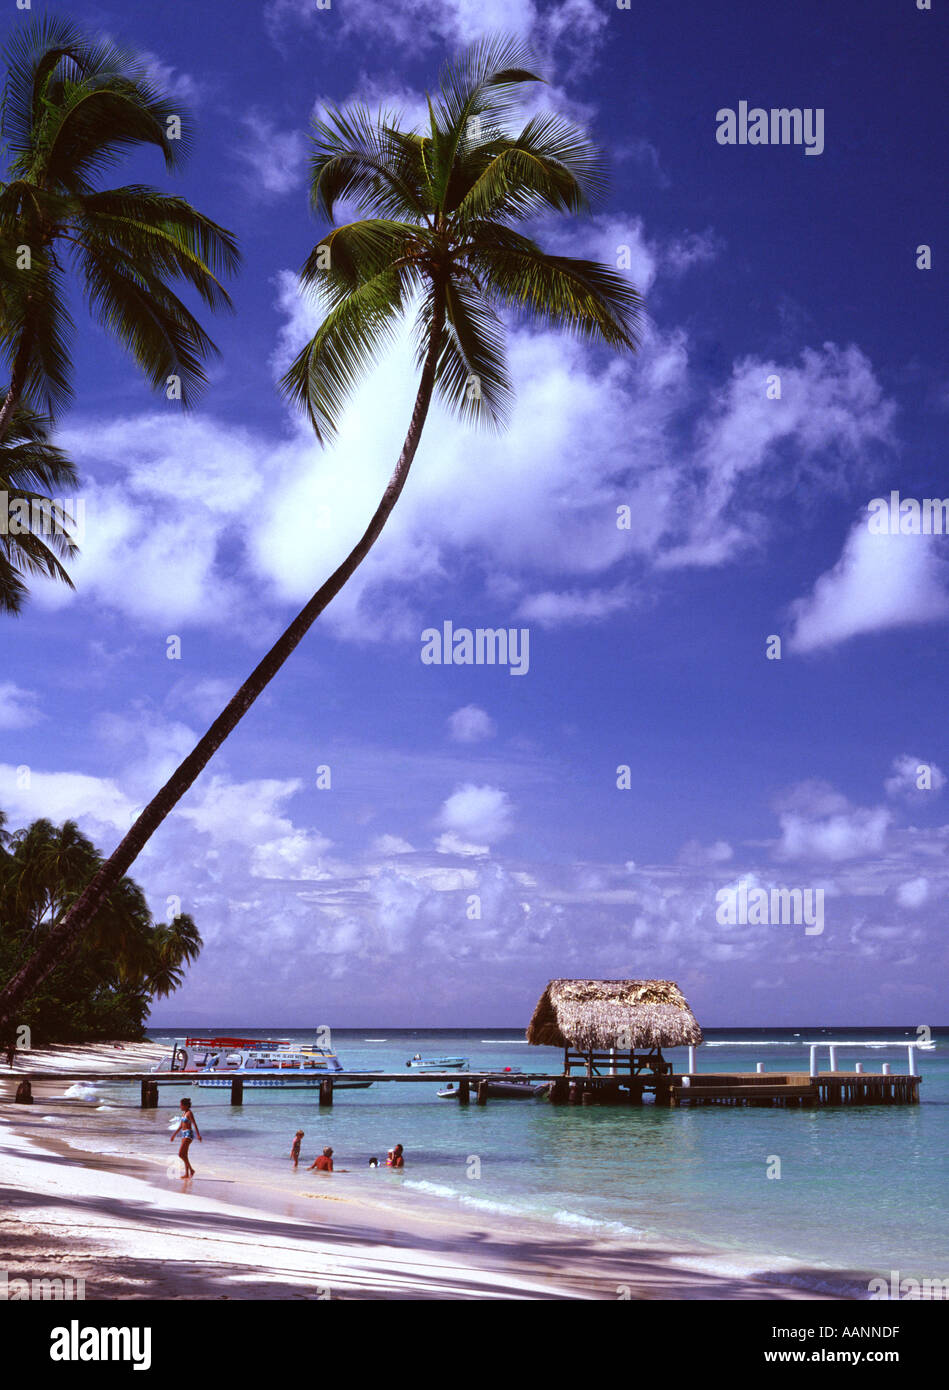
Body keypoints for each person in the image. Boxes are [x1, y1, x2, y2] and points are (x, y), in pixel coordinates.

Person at [170, 1097, 201, 1178]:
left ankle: (191, 1170)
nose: (180, 1106)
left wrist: (198, 1135)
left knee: (180, 1154)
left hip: (188, 1134)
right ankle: (187, 1174)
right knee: (185, 1154)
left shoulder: (189, 1113)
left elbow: (194, 1124)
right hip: (183, 1134)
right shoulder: (184, 1113)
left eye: (181, 1105)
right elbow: (180, 1126)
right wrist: (174, 1135)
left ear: (186, 1106)